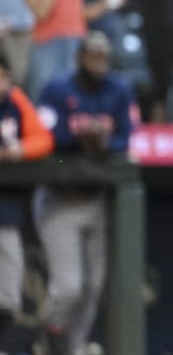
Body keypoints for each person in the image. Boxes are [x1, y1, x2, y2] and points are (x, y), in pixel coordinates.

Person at [35, 31, 135, 355]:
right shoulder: (57, 89)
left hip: (96, 199)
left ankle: (72, 346)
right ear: (80, 57)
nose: (98, 63)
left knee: (93, 288)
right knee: (69, 287)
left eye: (103, 57)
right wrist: (79, 139)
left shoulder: (118, 89)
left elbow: (126, 137)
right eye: (92, 56)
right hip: (60, 198)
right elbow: (47, 138)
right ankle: (51, 334)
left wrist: (105, 142)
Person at [0, 52, 52, 338]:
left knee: (7, 298)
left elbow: (43, 139)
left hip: (6, 204)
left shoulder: (16, 101)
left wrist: (20, 150)